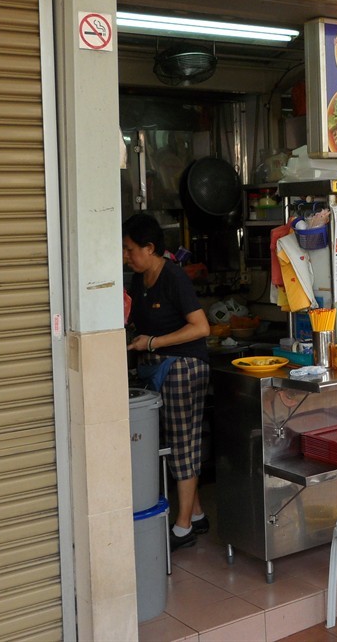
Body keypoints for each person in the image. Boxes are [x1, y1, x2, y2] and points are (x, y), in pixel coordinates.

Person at [123, 213, 212, 551]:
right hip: (155, 369)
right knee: (177, 443)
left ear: (150, 248)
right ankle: (198, 513)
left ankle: (183, 526)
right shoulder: (138, 279)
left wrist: (152, 343)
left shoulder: (173, 276)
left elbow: (201, 327)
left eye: (131, 250)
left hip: (183, 368)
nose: (126, 256)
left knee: (183, 444)